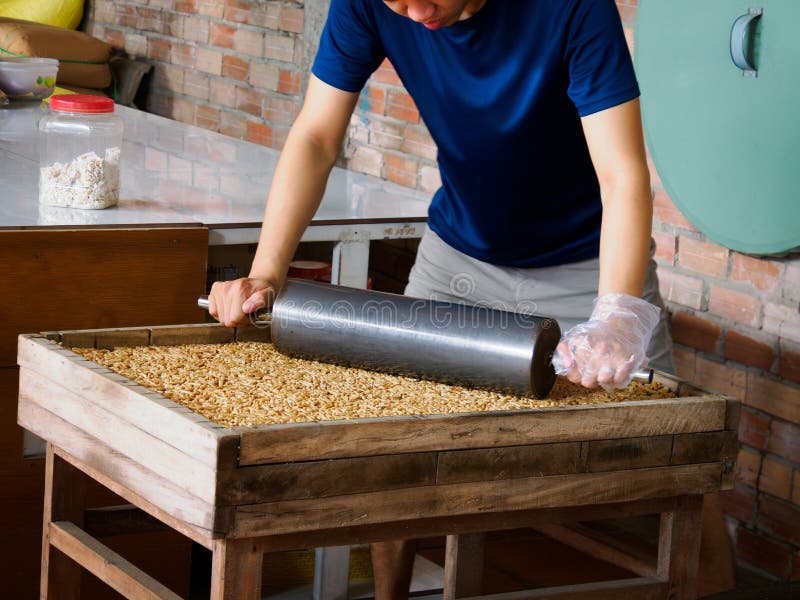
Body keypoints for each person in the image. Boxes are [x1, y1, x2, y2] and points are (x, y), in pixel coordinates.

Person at [208, 1, 733, 598]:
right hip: (459, 259)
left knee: (684, 452)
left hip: (590, 267)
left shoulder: (575, 7)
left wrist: (615, 312)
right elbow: (317, 135)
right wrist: (266, 271)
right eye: (396, 1)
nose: (415, 11)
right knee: (393, 442)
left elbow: (622, 175)